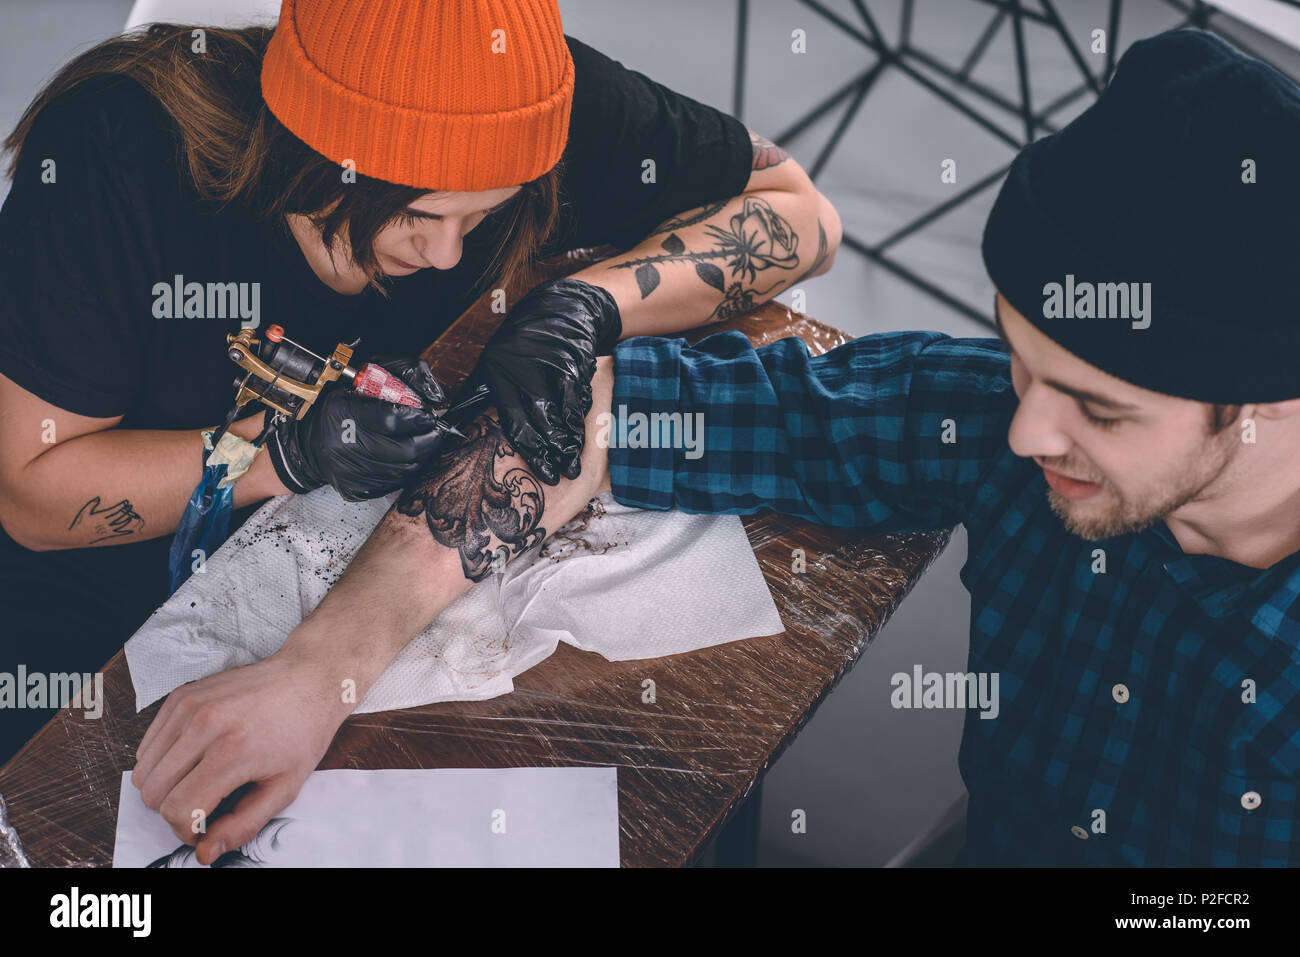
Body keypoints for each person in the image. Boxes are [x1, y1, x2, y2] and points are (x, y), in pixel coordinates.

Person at [133, 27, 1300, 866]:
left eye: (1097, 408)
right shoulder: (990, 425)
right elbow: (582, 423)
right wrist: (318, 671)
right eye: (1019, 362)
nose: (1026, 429)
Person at [0, 0, 840, 763]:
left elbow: (801, 212)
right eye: (415, 213)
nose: (445, 255)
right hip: (92, 610)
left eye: (481, 215)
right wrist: (285, 450)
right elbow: (32, 497)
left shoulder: (527, 95)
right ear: (307, 146)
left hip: (355, 600)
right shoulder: (118, 155)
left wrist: (588, 306)